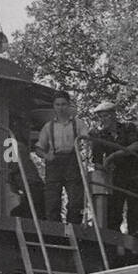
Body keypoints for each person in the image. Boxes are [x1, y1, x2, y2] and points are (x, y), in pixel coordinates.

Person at [90, 99, 138, 240]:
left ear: (114, 115)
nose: (103, 119)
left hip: (134, 172)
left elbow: (136, 146)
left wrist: (113, 156)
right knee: (115, 207)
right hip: (117, 175)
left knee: (135, 206)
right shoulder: (99, 135)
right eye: (100, 116)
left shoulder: (127, 127)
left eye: (106, 115)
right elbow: (96, 161)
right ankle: (115, 237)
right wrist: (104, 166)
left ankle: (135, 236)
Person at [36, 92, 90, 224]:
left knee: (76, 199)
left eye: (63, 104)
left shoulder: (78, 124)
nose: (61, 107)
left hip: (72, 162)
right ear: (54, 106)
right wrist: (46, 156)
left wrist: (83, 153)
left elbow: (87, 139)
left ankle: (73, 227)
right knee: (52, 199)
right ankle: (54, 228)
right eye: (58, 104)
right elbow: (39, 148)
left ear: (69, 105)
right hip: (55, 163)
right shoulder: (48, 127)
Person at [8, 120, 47, 221]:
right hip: (31, 188)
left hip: (32, 188)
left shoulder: (16, 147)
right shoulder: (17, 147)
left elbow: (12, 169)